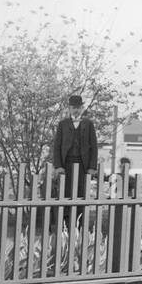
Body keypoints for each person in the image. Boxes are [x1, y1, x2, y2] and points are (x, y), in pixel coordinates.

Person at [51, 94, 99, 228]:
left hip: (83, 166)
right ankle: (65, 225)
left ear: (82, 108)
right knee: (66, 193)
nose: (76, 110)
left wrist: (92, 167)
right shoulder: (63, 124)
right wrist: (58, 166)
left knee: (81, 193)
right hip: (66, 165)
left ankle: (80, 224)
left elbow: (94, 146)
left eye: (78, 107)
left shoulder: (88, 124)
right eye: (73, 108)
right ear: (69, 108)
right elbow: (57, 146)